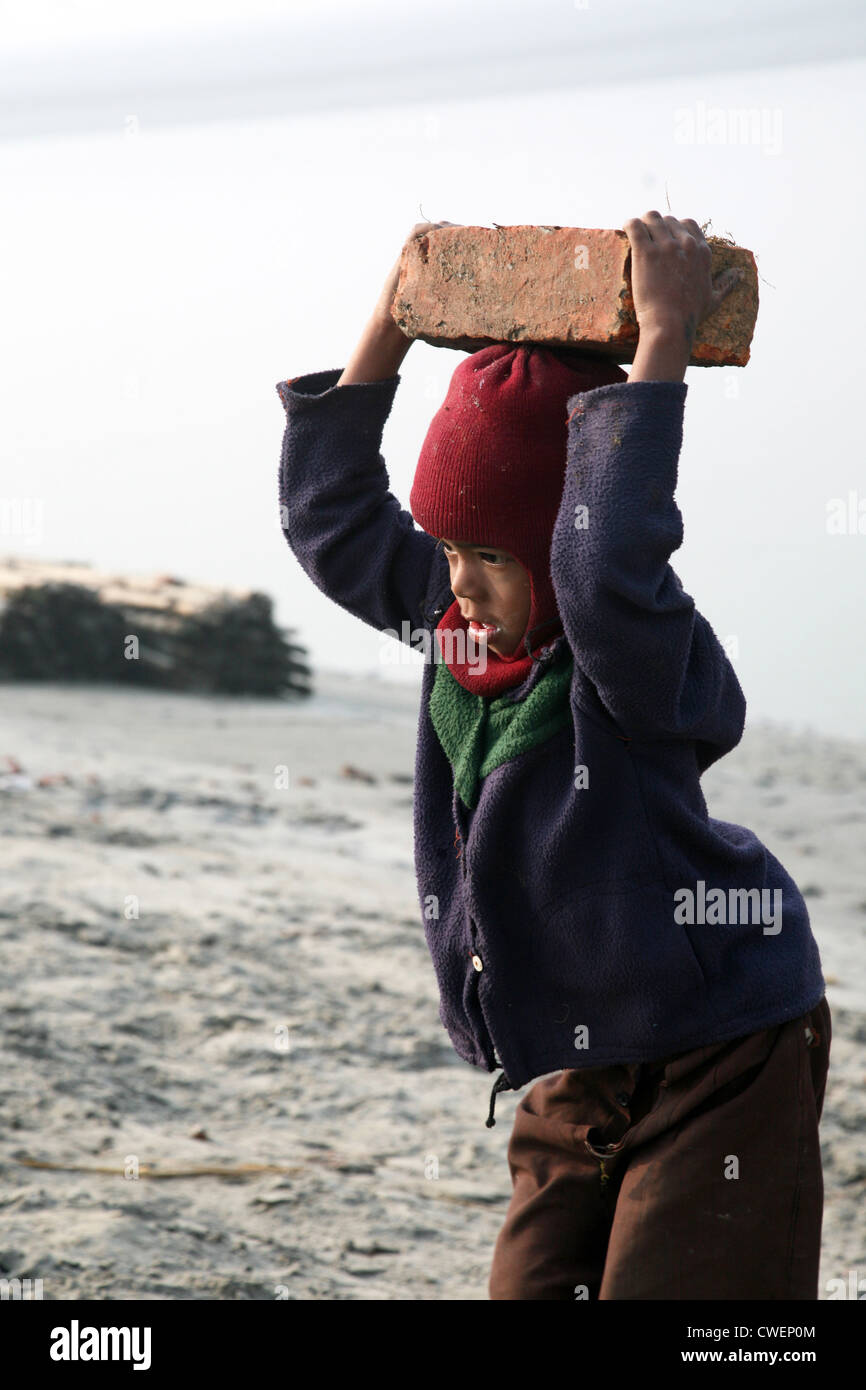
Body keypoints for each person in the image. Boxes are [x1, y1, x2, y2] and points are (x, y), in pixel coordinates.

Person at [275, 212, 830, 1299]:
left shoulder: (622, 657)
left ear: (545, 547)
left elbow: (602, 556)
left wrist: (660, 340)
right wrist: (391, 317)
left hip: (720, 1041)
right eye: (446, 551)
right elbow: (330, 517)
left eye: (489, 555)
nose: (460, 583)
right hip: (578, 1052)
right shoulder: (453, 627)